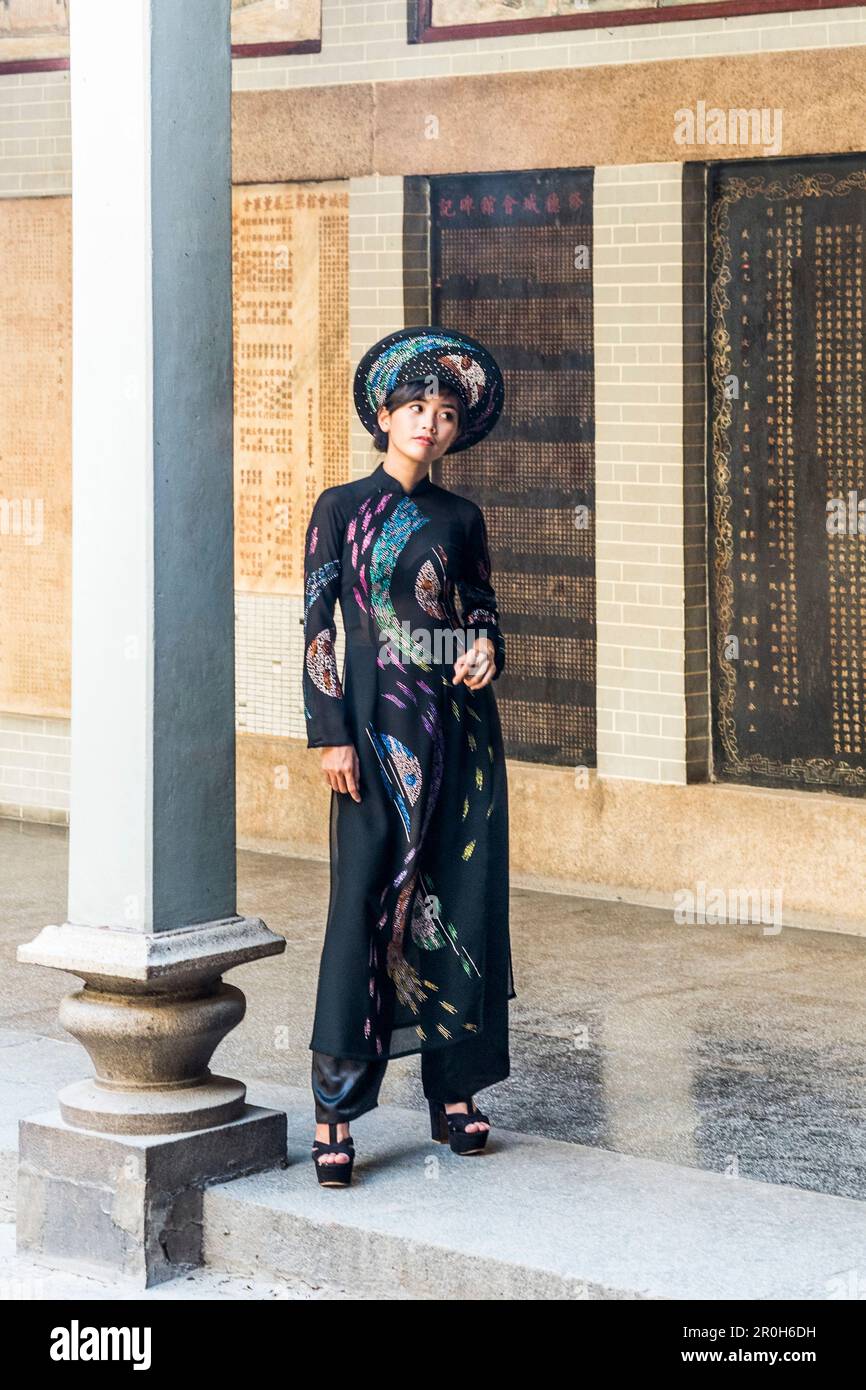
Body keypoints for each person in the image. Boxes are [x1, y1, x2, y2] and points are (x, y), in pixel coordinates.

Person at [302, 326, 516, 1187]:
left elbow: (482, 608)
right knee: (363, 902)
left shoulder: (461, 517)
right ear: (385, 416)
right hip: (371, 730)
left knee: (460, 902)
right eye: (417, 408)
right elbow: (319, 628)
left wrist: (488, 648)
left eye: (447, 413)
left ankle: (455, 1091)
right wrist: (330, 733)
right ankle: (336, 1103)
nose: (431, 423)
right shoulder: (340, 509)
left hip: (460, 735)